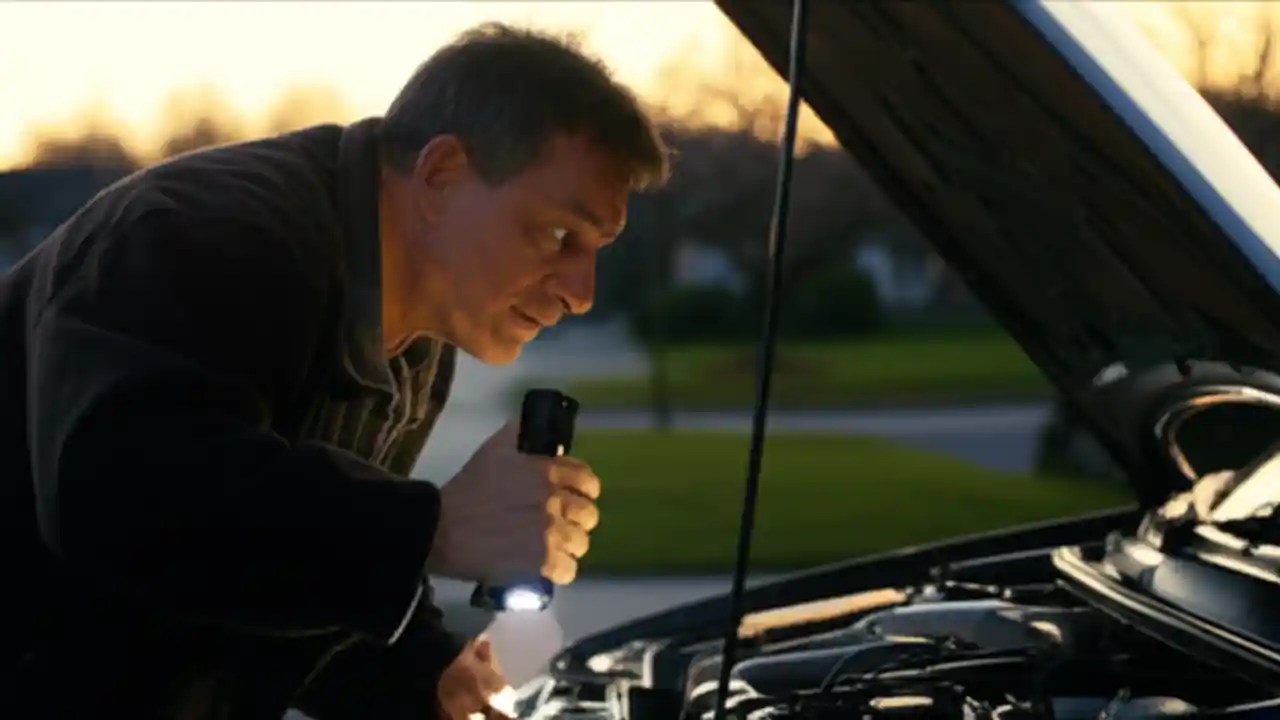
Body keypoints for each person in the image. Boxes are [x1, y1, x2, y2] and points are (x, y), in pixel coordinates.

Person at [0, 22, 669, 720]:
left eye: (596, 249)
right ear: (441, 176)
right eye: (559, 234)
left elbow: (257, 570)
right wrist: (430, 528)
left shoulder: (411, 327)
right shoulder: (207, 234)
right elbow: (119, 495)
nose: (582, 292)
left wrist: (423, 673)